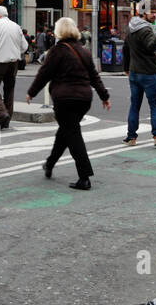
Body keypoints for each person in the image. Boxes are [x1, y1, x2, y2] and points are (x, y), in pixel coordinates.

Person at [26, 16, 110, 189]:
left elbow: (44, 74)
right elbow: (94, 76)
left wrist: (31, 93)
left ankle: (84, 176)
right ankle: (49, 164)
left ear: (59, 32)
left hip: (64, 99)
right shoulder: (84, 51)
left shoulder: (56, 51)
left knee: (72, 134)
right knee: (66, 132)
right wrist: (104, 96)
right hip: (84, 99)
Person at [122, 7, 156, 147]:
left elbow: (125, 48)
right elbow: (150, 47)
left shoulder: (130, 27)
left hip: (134, 72)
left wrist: (126, 68)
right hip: (148, 73)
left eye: (155, 12)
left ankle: (131, 137)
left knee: (134, 105)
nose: (154, 15)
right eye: (151, 12)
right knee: (154, 106)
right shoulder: (146, 30)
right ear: (143, 13)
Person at [0, 5, 28, 130]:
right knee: (9, 89)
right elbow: (24, 46)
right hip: (13, 62)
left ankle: (2, 113)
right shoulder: (16, 26)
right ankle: (6, 120)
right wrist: (15, 51)